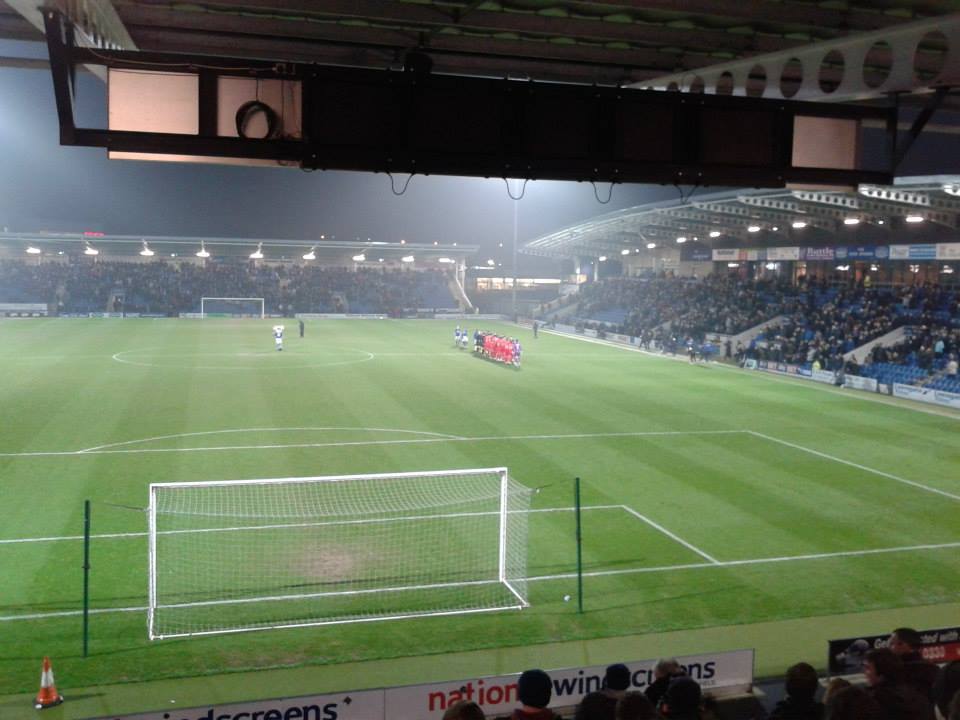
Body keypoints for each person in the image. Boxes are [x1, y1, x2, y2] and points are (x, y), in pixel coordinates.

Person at [888, 627, 938, 700]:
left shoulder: (895, 671)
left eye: (891, 644)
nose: (889, 648)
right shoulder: (933, 668)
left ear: (903, 644)